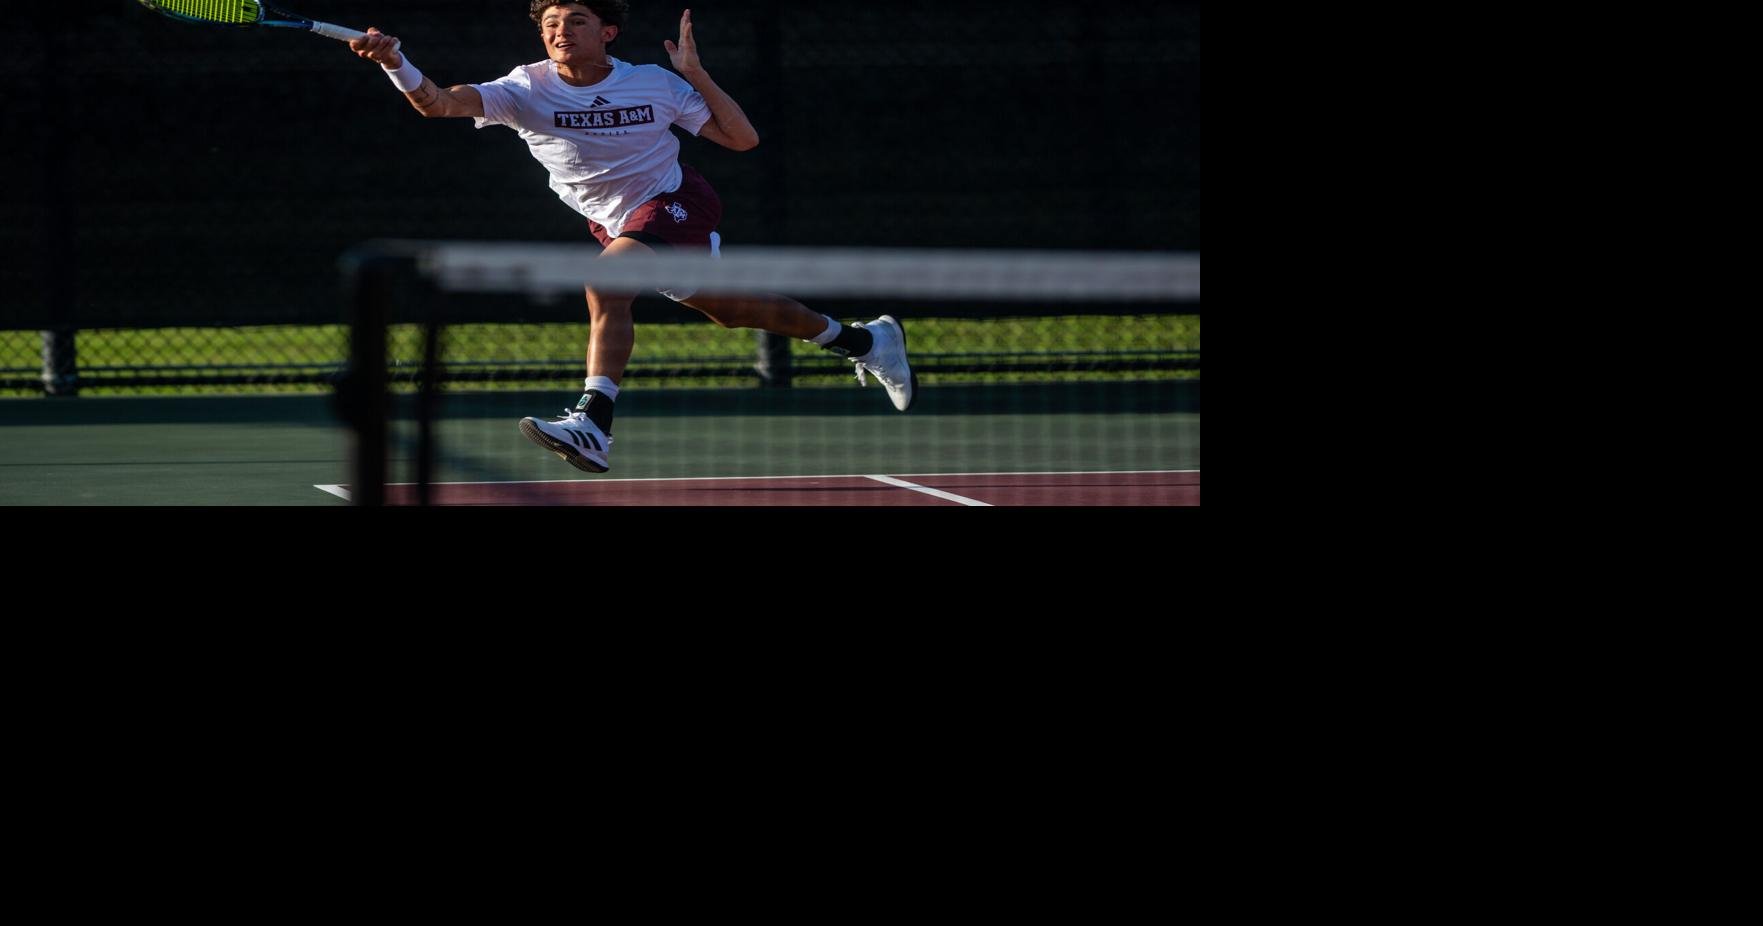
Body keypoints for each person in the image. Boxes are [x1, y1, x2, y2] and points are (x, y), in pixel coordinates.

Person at [350, 2, 915, 473]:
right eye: (550, 24)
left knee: (605, 281)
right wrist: (396, 62)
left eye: (576, 21)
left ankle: (593, 422)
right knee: (733, 310)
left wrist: (695, 73)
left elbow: (742, 139)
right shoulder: (523, 87)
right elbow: (438, 103)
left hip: (676, 202)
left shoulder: (652, 83)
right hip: (617, 223)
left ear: (607, 33)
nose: (560, 32)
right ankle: (865, 342)